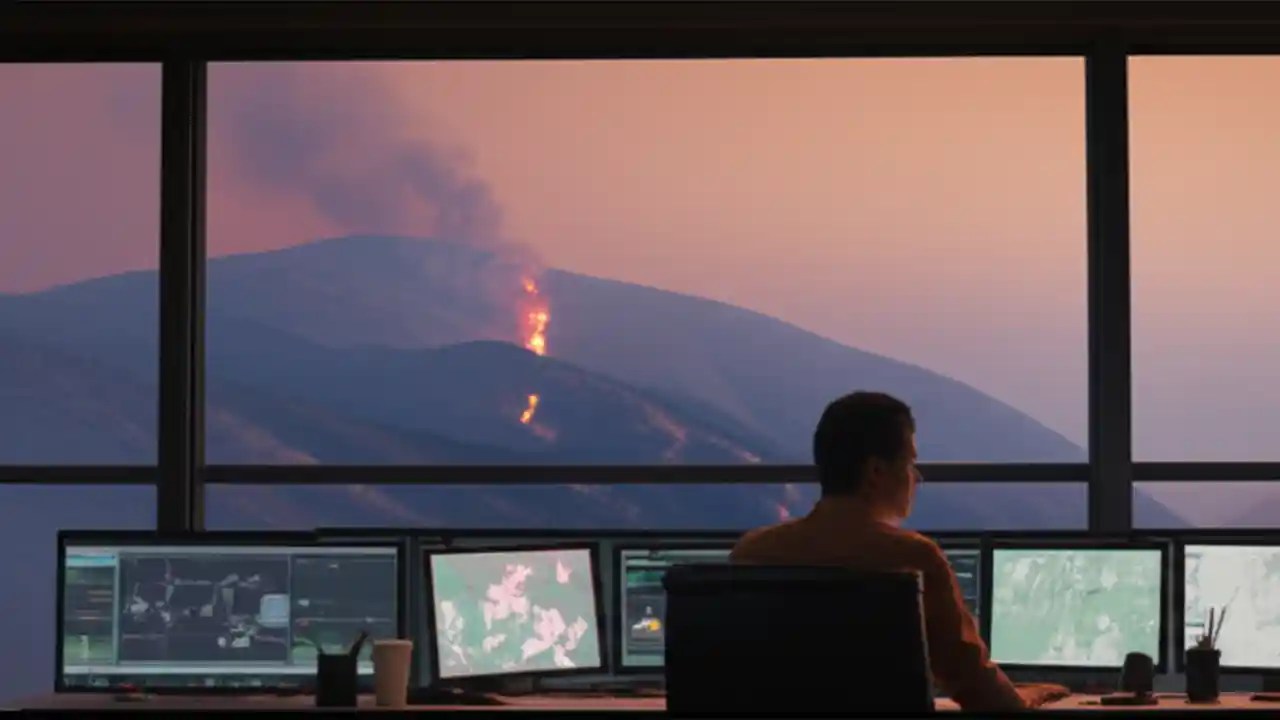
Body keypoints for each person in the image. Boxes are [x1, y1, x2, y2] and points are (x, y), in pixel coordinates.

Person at [730, 391, 1068, 711]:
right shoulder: (914, 559)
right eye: (909, 462)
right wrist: (1032, 696)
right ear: (876, 471)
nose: (915, 477)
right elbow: (973, 683)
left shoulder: (751, 553)